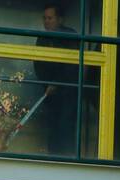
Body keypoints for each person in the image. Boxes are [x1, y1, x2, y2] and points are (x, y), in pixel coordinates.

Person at [33, 3, 79, 156]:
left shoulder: (71, 36)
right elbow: (38, 64)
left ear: (60, 19)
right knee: (52, 124)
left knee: (66, 125)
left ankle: (68, 158)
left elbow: (73, 65)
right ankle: (52, 156)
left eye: (50, 18)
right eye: (44, 18)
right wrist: (47, 84)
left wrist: (58, 83)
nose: (46, 22)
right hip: (49, 92)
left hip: (68, 92)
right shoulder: (42, 38)